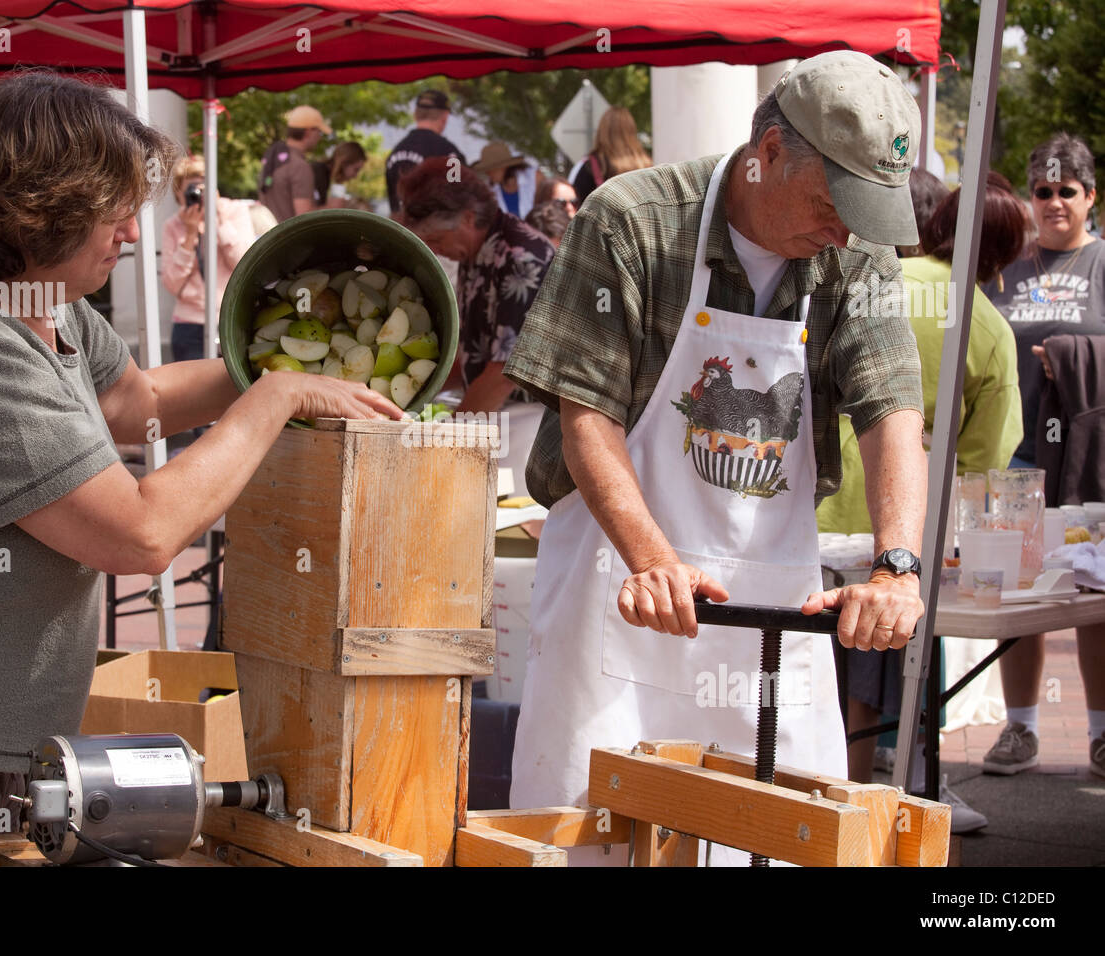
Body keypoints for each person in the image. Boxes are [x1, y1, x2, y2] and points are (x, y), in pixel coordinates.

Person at [0, 72, 401, 867]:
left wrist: (271, 363)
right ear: (41, 207)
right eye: (114, 210)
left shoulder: (40, 302)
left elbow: (138, 400)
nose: (130, 231)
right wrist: (277, 396)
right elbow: (141, 534)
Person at [502, 51, 930, 864]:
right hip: (619, 590)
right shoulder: (631, 220)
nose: (845, 228)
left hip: (775, 601)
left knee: (783, 837)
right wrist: (652, 559)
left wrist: (896, 565)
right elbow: (586, 413)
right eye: (833, 201)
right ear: (767, 153)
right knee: (590, 835)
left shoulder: (855, 251)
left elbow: (890, 410)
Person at [818, 171, 1028, 830]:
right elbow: (987, 460)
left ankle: (830, 790)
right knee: (895, 650)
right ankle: (901, 787)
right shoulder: (989, 327)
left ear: (935, 226)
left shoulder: (870, 286)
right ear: (1003, 255)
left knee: (814, 656)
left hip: (815, 504)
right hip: (906, 523)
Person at [984, 132, 1105, 779]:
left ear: (1090, 196)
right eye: (1043, 191)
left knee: (1095, 596)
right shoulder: (1009, 268)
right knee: (1018, 595)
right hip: (1018, 456)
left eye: (1067, 191)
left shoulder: (1104, 264)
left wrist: (1070, 357)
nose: (1054, 201)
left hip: (1089, 462)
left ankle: (1101, 734)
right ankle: (1020, 728)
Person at [398, 157, 555, 416]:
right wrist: (411, 397)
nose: (436, 251)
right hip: (500, 407)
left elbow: (504, 374)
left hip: (530, 415)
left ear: (468, 218)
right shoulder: (475, 251)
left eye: (437, 240)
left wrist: (453, 436)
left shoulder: (521, 259)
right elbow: (473, 358)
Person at [161, 154, 276, 363]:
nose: (199, 194)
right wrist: (189, 236)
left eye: (203, 187)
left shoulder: (234, 212)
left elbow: (246, 264)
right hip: (190, 324)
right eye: (192, 189)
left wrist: (220, 223)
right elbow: (171, 283)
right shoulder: (174, 225)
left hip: (230, 318)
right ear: (179, 194)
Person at [385, 90, 466, 215]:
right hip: (436, 232)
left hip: (399, 231)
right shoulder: (450, 155)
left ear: (415, 114)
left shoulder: (394, 154)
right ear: (445, 116)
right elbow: (458, 200)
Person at [257, 105, 331, 222]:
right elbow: (305, 218)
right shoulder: (300, 166)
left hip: (270, 237)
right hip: (290, 239)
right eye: (319, 132)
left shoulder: (272, 158)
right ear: (309, 132)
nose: (319, 138)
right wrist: (332, 207)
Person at [569, 106, 652, 206]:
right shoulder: (648, 166)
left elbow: (576, 204)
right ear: (632, 131)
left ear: (602, 131)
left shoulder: (590, 166)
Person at [474, 142, 536, 218]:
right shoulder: (490, 191)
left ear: (503, 167)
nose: (488, 173)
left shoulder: (533, 177)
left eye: (490, 169)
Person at [311, 141, 367, 209]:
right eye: (356, 169)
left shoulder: (326, 177)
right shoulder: (317, 172)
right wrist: (330, 207)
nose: (355, 176)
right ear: (344, 162)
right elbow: (303, 212)